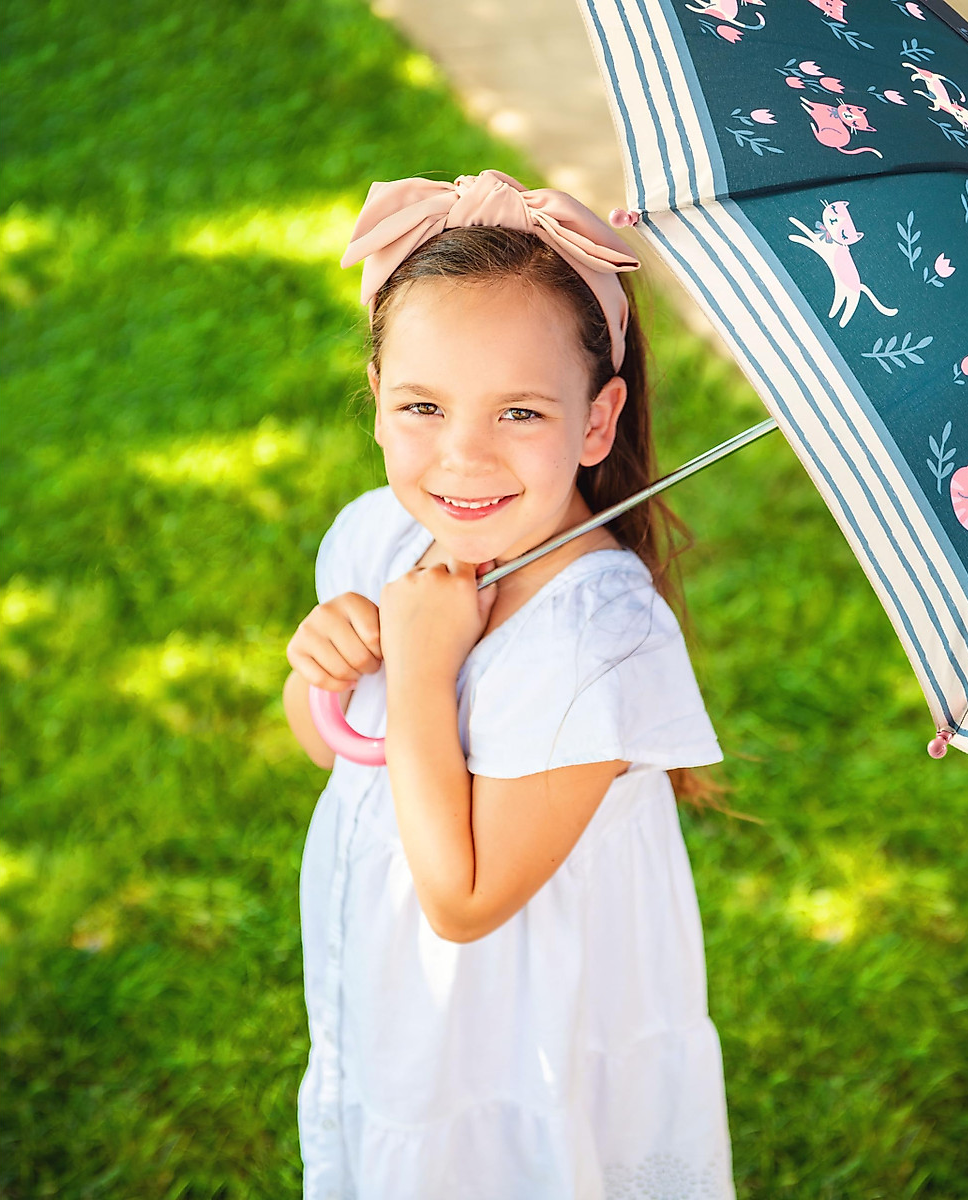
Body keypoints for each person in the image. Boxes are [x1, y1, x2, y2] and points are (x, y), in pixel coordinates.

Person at [282, 168, 736, 1200]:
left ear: (596, 418)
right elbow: (335, 750)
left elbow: (465, 898)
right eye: (422, 406)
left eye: (521, 412)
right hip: (408, 1000)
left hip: (535, 1021)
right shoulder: (379, 534)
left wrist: (423, 669)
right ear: (377, 396)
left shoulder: (599, 639)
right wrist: (324, 663)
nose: (462, 456)